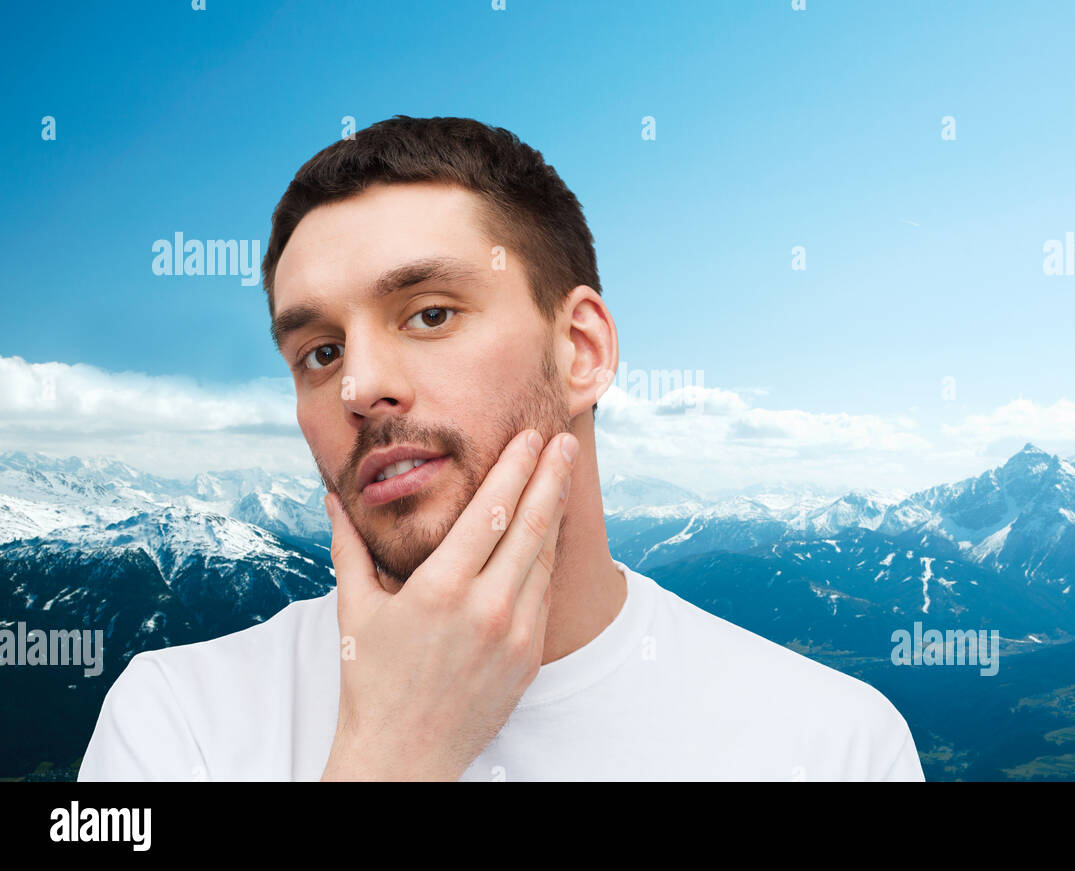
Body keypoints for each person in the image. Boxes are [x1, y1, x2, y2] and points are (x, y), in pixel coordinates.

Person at [78, 116, 924, 781]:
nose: (358, 386)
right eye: (320, 352)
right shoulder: (174, 722)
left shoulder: (838, 746)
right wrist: (390, 756)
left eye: (430, 313)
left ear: (581, 350)